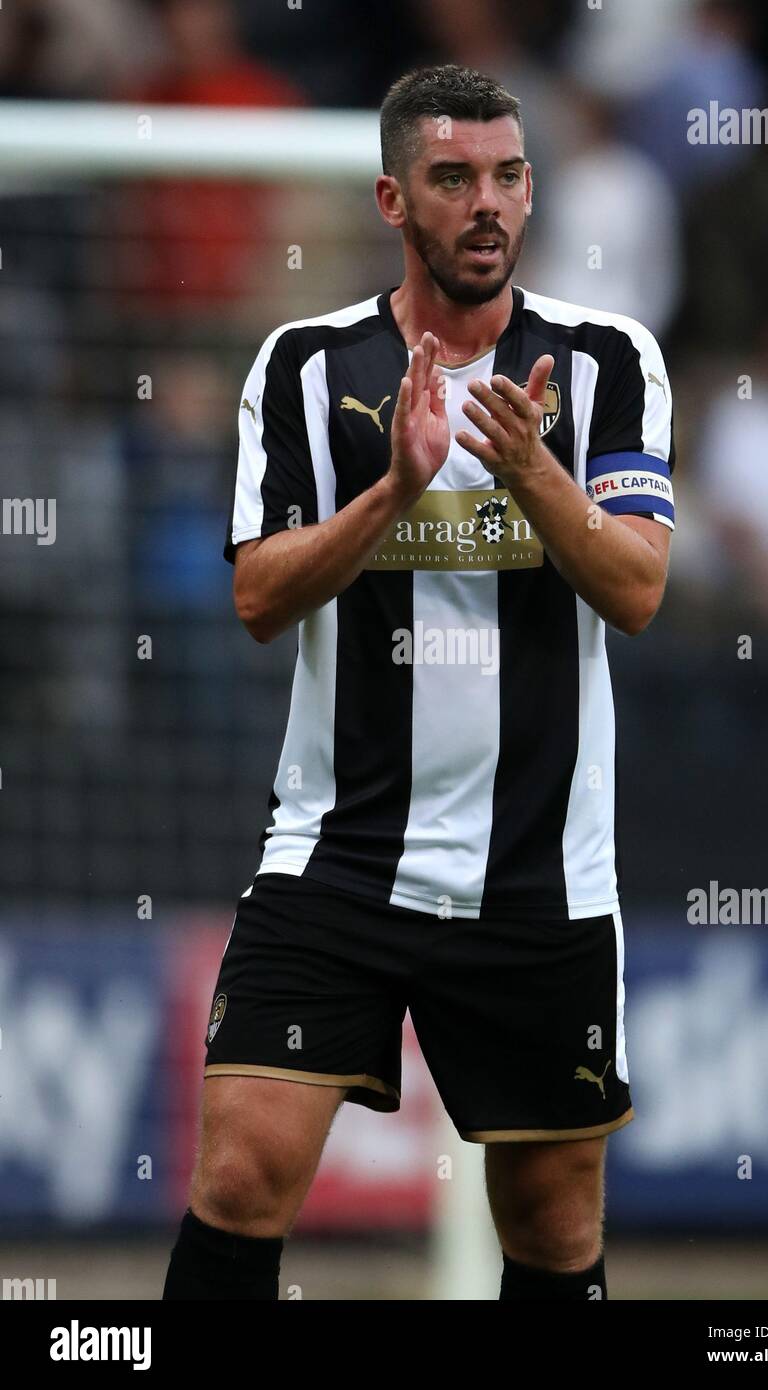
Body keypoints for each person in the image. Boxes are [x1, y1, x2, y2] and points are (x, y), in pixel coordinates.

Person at [163, 63, 676, 1302]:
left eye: (506, 176)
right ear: (395, 199)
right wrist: (392, 490)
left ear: (532, 190)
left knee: (553, 1225)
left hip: (539, 871)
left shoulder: (609, 360)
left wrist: (529, 473)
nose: (485, 203)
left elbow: (639, 589)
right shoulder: (302, 367)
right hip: (336, 859)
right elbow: (255, 597)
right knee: (239, 1174)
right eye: (453, 179)